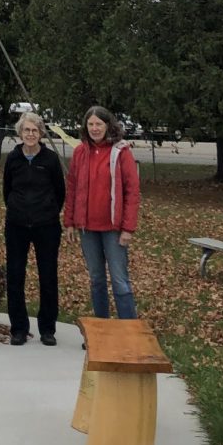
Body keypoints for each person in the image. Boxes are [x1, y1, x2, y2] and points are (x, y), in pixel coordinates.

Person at [64, 105, 141, 322]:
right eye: (91, 124)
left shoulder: (121, 152)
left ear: (108, 125)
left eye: (99, 124)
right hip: (87, 228)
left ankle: (128, 330)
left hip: (113, 229)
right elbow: (72, 187)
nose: (95, 128)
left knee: (119, 280)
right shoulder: (80, 152)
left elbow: (132, 191)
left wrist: (128, 228)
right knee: (96, 279)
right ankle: (101, 328)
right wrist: (69, 221)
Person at [3, 112, 65, 346]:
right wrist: (18, 209)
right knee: (15, 275)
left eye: (35, 131)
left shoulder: (50, 159)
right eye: (26, 130)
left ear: (40, 134)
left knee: (48, 276)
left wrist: (46, 210)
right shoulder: (13, 158)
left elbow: (60, 191)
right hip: (17, 225)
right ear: (20, 133)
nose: (30, 134)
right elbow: (6, 190)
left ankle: (47, 328)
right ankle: (19, 328)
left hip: (46, 225)